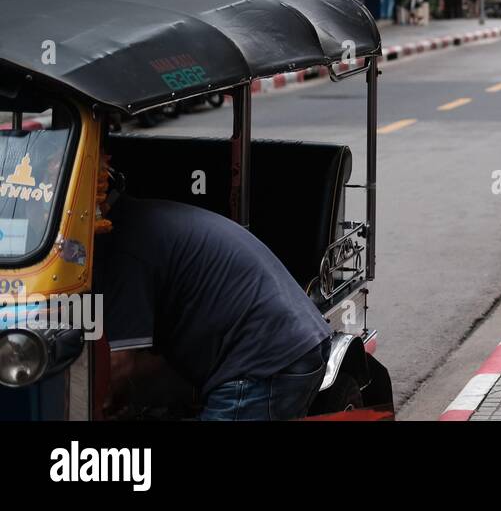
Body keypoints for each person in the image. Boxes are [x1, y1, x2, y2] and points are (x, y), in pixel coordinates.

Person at [93, 159, 332, 421]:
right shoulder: (139, 222)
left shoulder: (122, 247)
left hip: (264, 362)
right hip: (285, 345)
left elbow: (119, 365)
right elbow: (146, 364)